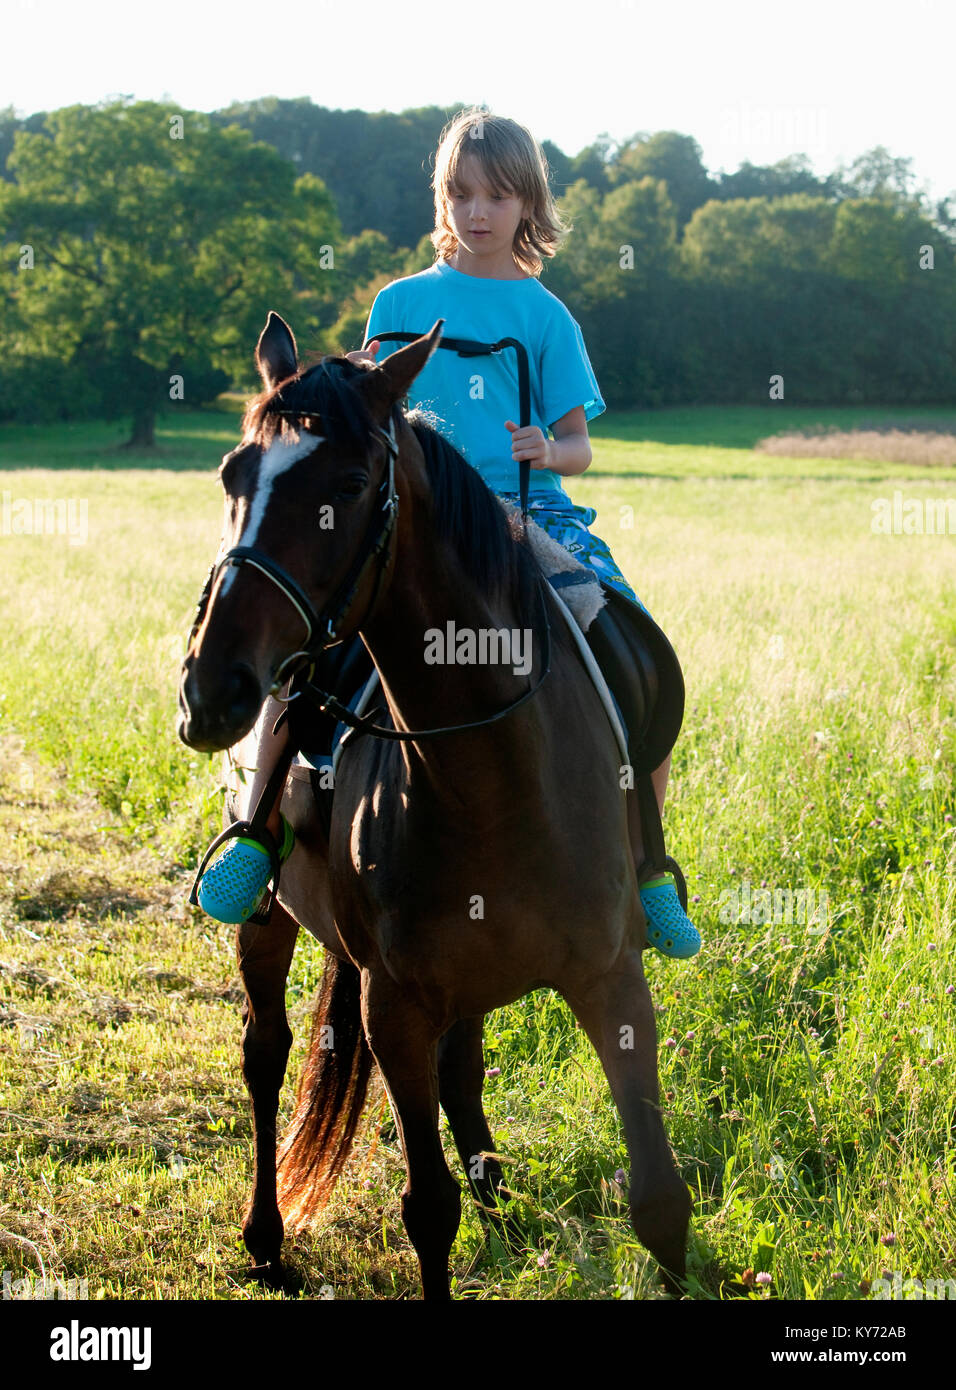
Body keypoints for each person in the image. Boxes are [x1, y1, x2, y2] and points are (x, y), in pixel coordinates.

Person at [196, 107, 699, 959]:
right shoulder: (399, 301)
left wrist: (551, 446)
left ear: (527, 204)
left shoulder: (546, 317)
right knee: (309, 644)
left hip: (525, 511)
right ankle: (259, 827)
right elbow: (357, 417)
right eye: (462, 193)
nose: (478, 212)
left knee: (634, 651)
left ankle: (641, 858)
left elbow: (579, 442)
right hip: (407, 512)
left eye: (497, 195)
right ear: (442, 199)